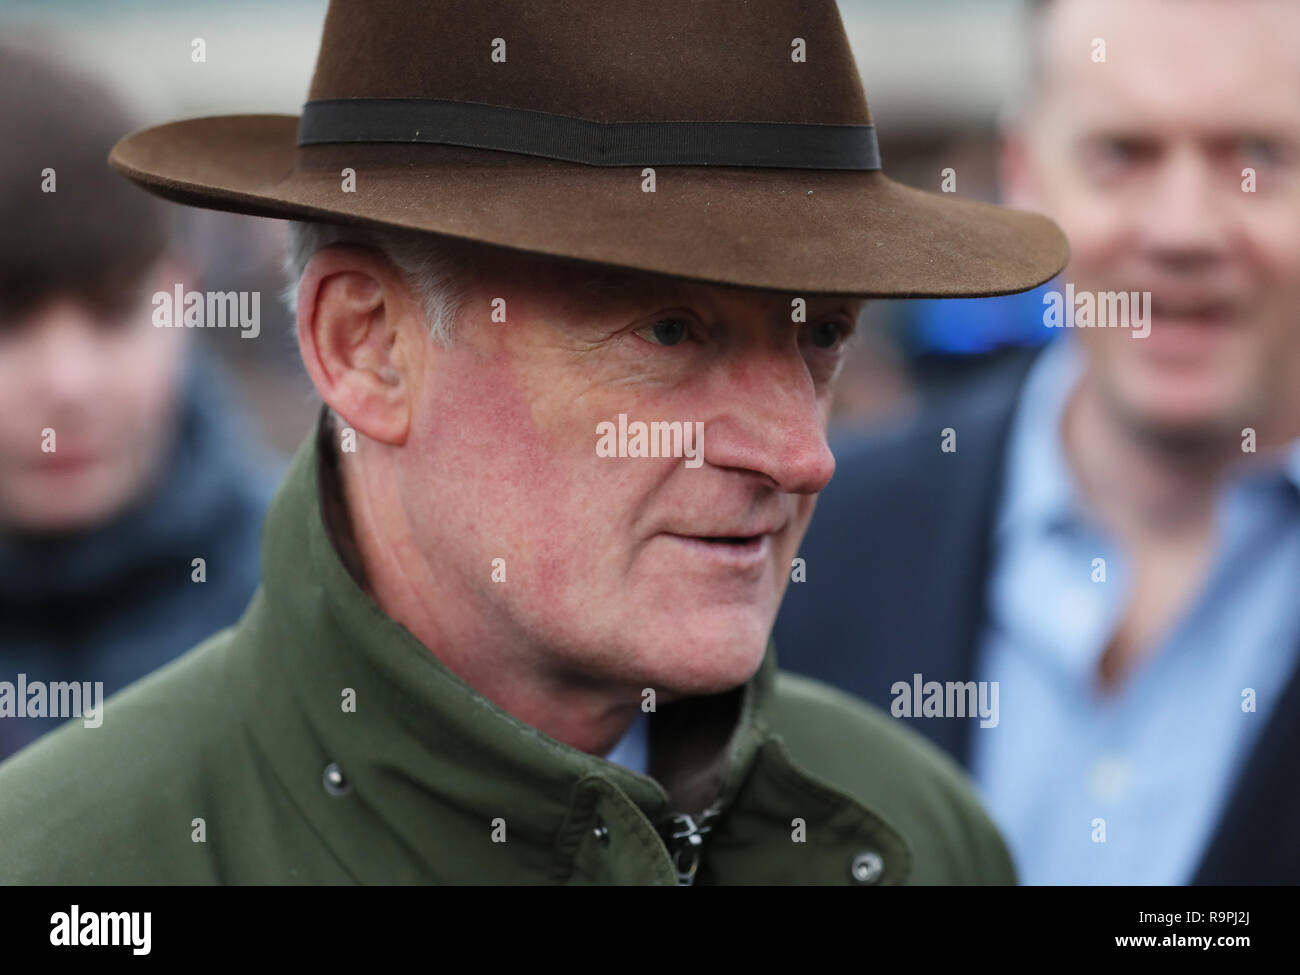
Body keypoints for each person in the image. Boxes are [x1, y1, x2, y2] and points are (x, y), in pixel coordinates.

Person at [0, 0, 1066, 884]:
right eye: (668, 331)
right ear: (366, 346)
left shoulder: (919, 836)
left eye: (823, 334)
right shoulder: (71, 867)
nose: (802, 455)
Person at [774, 0, 1300, 884]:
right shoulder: (804, 541)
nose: (1183, 231)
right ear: (1024, 174)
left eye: (1258, 158)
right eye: (1121, 154)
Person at [0, 47, 279, 761]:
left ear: (182, 295)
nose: (68, 382)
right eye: (9, 324)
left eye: (115, 313)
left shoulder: (316, 599)